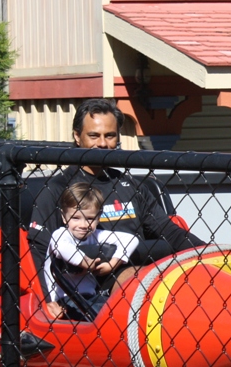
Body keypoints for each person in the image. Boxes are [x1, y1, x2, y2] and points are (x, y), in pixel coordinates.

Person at [27, 98, 205, 293]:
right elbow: (39, 251)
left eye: (110, 135)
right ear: (77, 136)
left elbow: (171, 233)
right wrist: (45, 303)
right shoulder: (57, 188)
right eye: (94, 135)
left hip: (148, 275)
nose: (102, 143)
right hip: (90, 290)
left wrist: (214, 254)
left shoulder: (132, 186)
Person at [43, 182, 139, 320]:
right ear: (64, 217)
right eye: (75, 218)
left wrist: (113, 264)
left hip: (92, 296)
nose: (83, 225)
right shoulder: (62, 234)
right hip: (64, 299)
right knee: (103, 317)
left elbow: (131, 239)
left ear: (98, 218)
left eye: (89, 219)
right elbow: (62, 248)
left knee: (118, 310)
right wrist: (85, 262)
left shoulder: (96, 235)